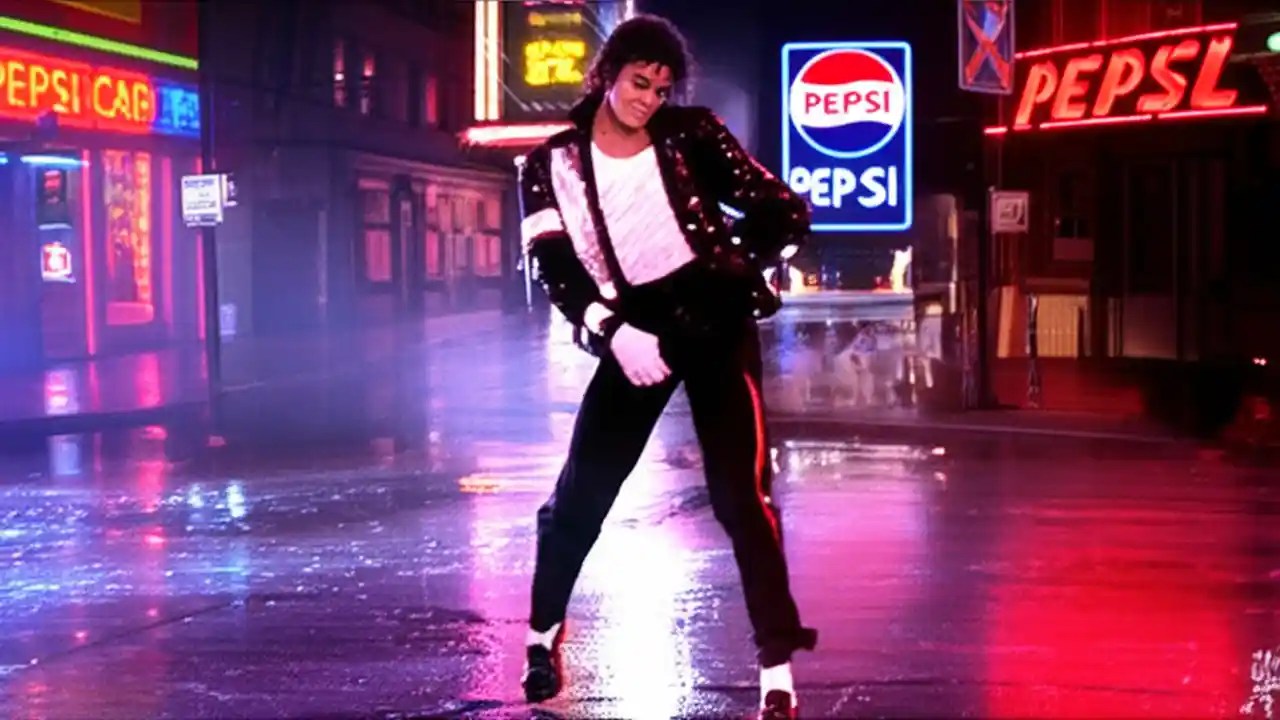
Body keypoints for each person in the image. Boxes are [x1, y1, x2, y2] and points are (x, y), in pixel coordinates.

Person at [517, 13, 816, 720]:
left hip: (714, 321)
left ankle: (777, 671)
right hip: (634, 328)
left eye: (660, 87)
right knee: (581, 495)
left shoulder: (692, 134)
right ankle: (541, 639)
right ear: (606, 77)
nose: (648, 98)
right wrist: (613, 332)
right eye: (637, 83)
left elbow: (782, 208)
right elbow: (555, 266)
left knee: (743, 499)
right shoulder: (550, 164)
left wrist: (737, 266)